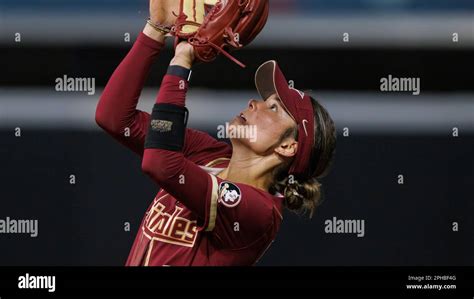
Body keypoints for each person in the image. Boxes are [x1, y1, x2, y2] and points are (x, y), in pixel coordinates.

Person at [95, 0, 336, 266]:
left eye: (273, 108)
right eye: (262, 99)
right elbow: (114, 118)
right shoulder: (210, 155)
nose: (253, 104)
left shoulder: (259, 212)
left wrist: (181, 62)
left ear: (288, 147)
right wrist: (155, 30)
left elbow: (161, 164)